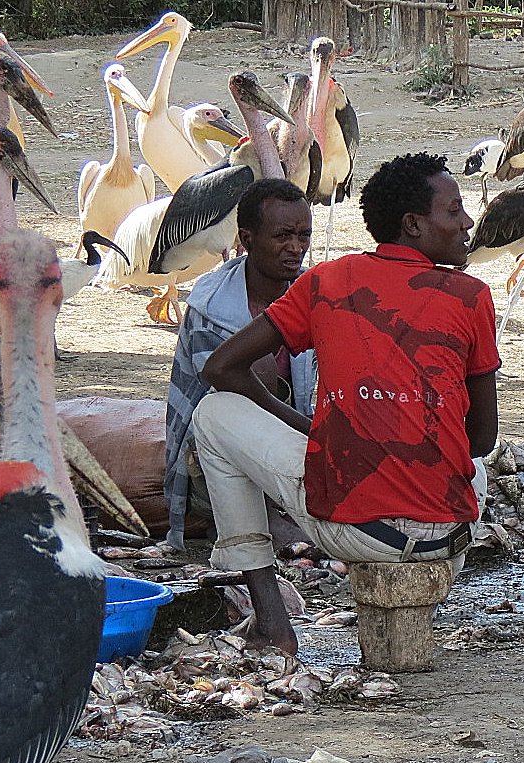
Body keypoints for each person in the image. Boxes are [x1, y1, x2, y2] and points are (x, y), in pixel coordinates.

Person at [194, 153, 499, 655]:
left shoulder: (327, 282)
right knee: (466, 461)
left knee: (212, 413)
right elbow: (482, 439)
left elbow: (220, 369)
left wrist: (311, 428)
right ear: (413, 225)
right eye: (455, 210)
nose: (468, 223)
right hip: (451, 537)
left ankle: (271, 619)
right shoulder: (472, 296)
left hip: (359, 534)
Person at [164, 178, 315, 551]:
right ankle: (265, 523)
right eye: (282, 236)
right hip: (221, 457)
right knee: (252, 368)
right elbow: (232, 395)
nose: (295, 249)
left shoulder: (318, 295)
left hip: (300, 448)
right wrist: (314, 433)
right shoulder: (211, 308)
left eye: (303, 236)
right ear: (246, 240)